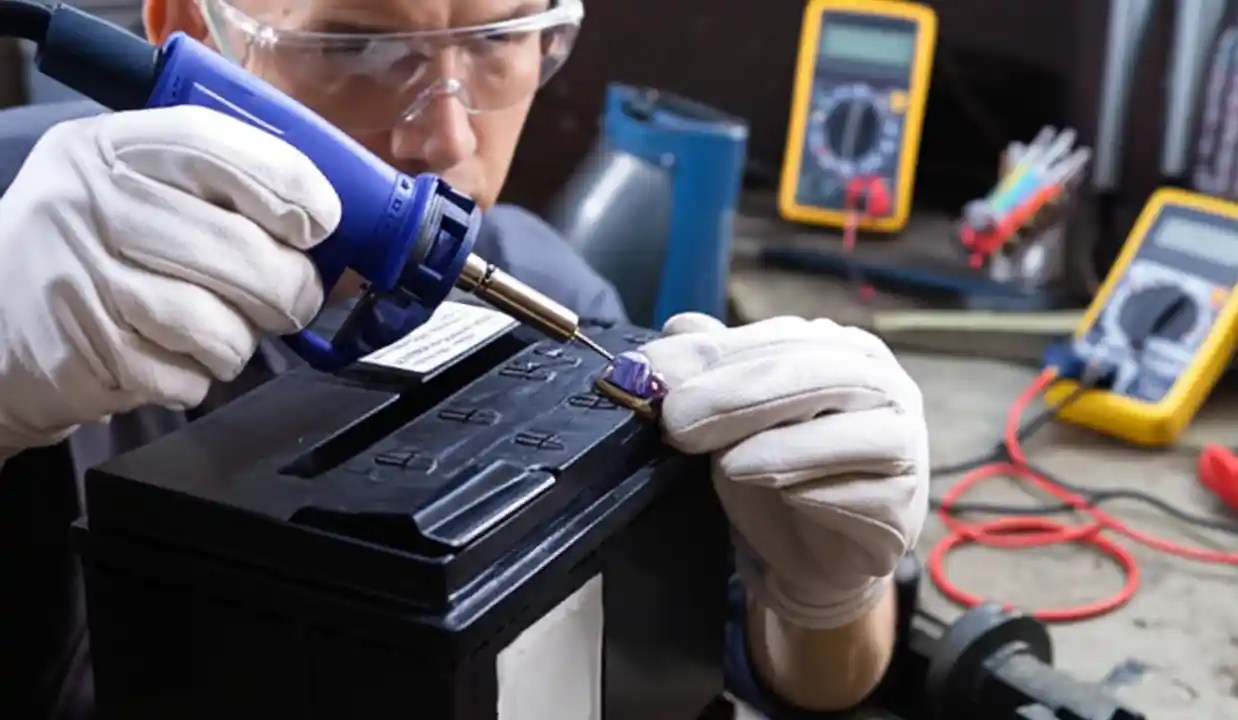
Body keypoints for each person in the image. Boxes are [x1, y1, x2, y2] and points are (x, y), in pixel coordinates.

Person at [0, 1, 929, 718]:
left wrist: (828, 598)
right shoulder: (43, 297)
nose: (446, 141)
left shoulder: (537, 276)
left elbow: (787, 678)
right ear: (187, 29)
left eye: (498, 37)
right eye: (352, 46)